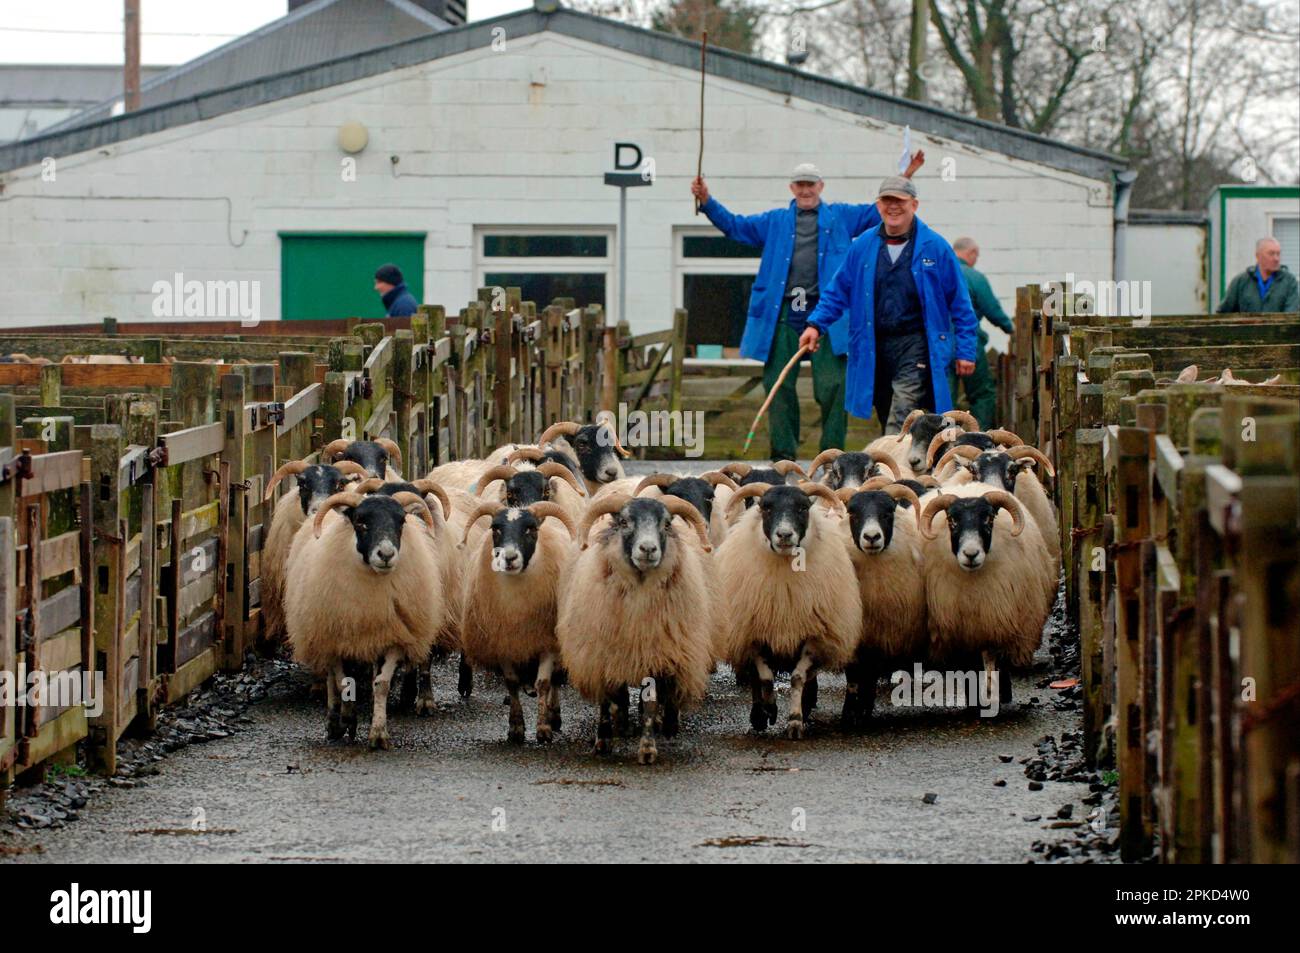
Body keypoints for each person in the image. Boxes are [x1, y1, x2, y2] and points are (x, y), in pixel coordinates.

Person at [690, 152, 924, 460]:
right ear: (792, 188)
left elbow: (880, 211)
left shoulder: (840, 217)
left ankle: (831, 454)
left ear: (821, 186)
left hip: (828, 315)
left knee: (833, 386)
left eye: (811, 184)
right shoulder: (774, 221)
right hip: (784, 314)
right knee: (778, 382)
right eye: (800, 184)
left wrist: (906, 174)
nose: (805, 190)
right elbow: (735, 227)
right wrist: (707, 202)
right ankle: (783, 455)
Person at [798, 176, 977, 434]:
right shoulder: (862, 246)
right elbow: (837, 291)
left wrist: (966, 350)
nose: (893, 207)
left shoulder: (935, 247)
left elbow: (960, 303)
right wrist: (815, 325)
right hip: (873, 344)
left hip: (916, 344)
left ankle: (892, 469)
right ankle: (910, 466)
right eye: (886, 200)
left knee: (902, 411)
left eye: (900, 201)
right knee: (885, 410)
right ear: (878, 206)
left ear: (914, 204)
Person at [950, 236, 1014, 429]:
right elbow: (992, 309)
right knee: (982, 394)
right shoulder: (973, 277)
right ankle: (978, 437)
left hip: (940, 343)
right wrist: (1010, 328)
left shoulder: (939, 273)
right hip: (969, 343)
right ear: (971, 253)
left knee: (945, 397)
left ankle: (943, 441)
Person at [1217, 237, 1298, 312]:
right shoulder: (1241, 281)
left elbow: (1291, 315)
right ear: (1258, 256)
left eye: (1278, 254)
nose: (1276, 259)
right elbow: (1223, 313)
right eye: (1271, 254)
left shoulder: (1289, 282)